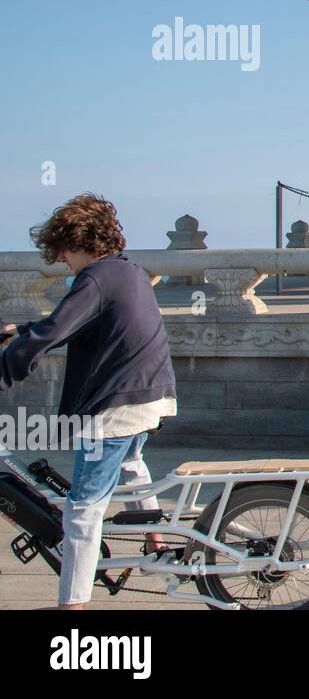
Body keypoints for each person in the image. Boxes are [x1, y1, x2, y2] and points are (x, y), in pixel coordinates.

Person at [0, 194, 177, 609]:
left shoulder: (94, 278)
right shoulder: (127, 271)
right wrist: (18, 330)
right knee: (131, 464)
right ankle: (157, 538)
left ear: (77, 240)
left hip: (117, 405)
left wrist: (7, 369)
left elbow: (55, 330)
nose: (61, 258)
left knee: (83, 510)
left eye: (62, 248)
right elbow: (65, 323)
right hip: (150, 395)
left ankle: (73, 607)